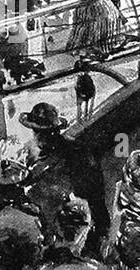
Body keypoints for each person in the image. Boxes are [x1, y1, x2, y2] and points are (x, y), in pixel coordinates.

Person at [20, 102, 109, 251]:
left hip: (73, 229)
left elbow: (89, 198)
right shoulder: (75, 149)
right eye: (37, 132)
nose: (37, 137)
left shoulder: (74, 155)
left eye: (39, 132)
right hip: (78, 223)